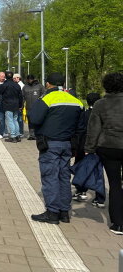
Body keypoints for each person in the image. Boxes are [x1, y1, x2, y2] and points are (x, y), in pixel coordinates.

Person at [28, 73, 83, 225]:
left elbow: (35, 118)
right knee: (64, 177)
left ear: (48, 84)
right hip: (68, 144)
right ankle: (64, 212)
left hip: (50, 144)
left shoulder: (47, 98)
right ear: (63, 84)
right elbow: (81, 126)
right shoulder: (76, 101)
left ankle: (52, 213)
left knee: (50, 177)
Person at [85, 72, 123, 234]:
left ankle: (118, 224)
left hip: (109, 146)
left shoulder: (100, 104)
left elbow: (94, 128)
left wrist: (89, 148)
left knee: (115, 184)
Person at [73, 92, 103, 206]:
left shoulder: (84, 114)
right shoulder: (102, 113)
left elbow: (80, 130)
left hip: (84, 146)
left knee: (82, 169)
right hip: (100, 146)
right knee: (98, 172)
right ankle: (100, 198)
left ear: (87, 101)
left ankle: (81, 191)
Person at [0, 71, 24, 143]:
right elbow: (20, 96)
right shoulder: (17, 85)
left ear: (5, 77)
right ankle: (18, 135)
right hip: (16, 105)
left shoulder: (5, 85)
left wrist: (0, 83)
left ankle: (13, 136)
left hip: (8, 104)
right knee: (15, 120)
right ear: (12, 77)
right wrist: (20, 105)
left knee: (10, 120)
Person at [22, 74, 45, 140]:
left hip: (38, 107)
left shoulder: (40, 86)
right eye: (29, 79)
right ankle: (32, 135)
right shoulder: (25, 87)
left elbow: (44, 94)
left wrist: (40, 100)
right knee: (30, 121)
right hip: (29, 107)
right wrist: (21, 106)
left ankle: (38, 133)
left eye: (31, 79)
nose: (30, 81)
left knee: (38, 120)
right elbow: (22, 97)